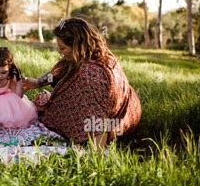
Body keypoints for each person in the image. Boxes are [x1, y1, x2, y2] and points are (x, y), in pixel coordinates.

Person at [23, 17, 141, 148]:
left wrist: (97, 153)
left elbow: (97, 117)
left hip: (120, 120)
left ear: (77, 46)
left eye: (62, 48)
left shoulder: (91, 76)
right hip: (131, 107)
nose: (59, 51)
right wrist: (37, 83)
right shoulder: (90, 54)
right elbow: (60, 72)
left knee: (56, 108)